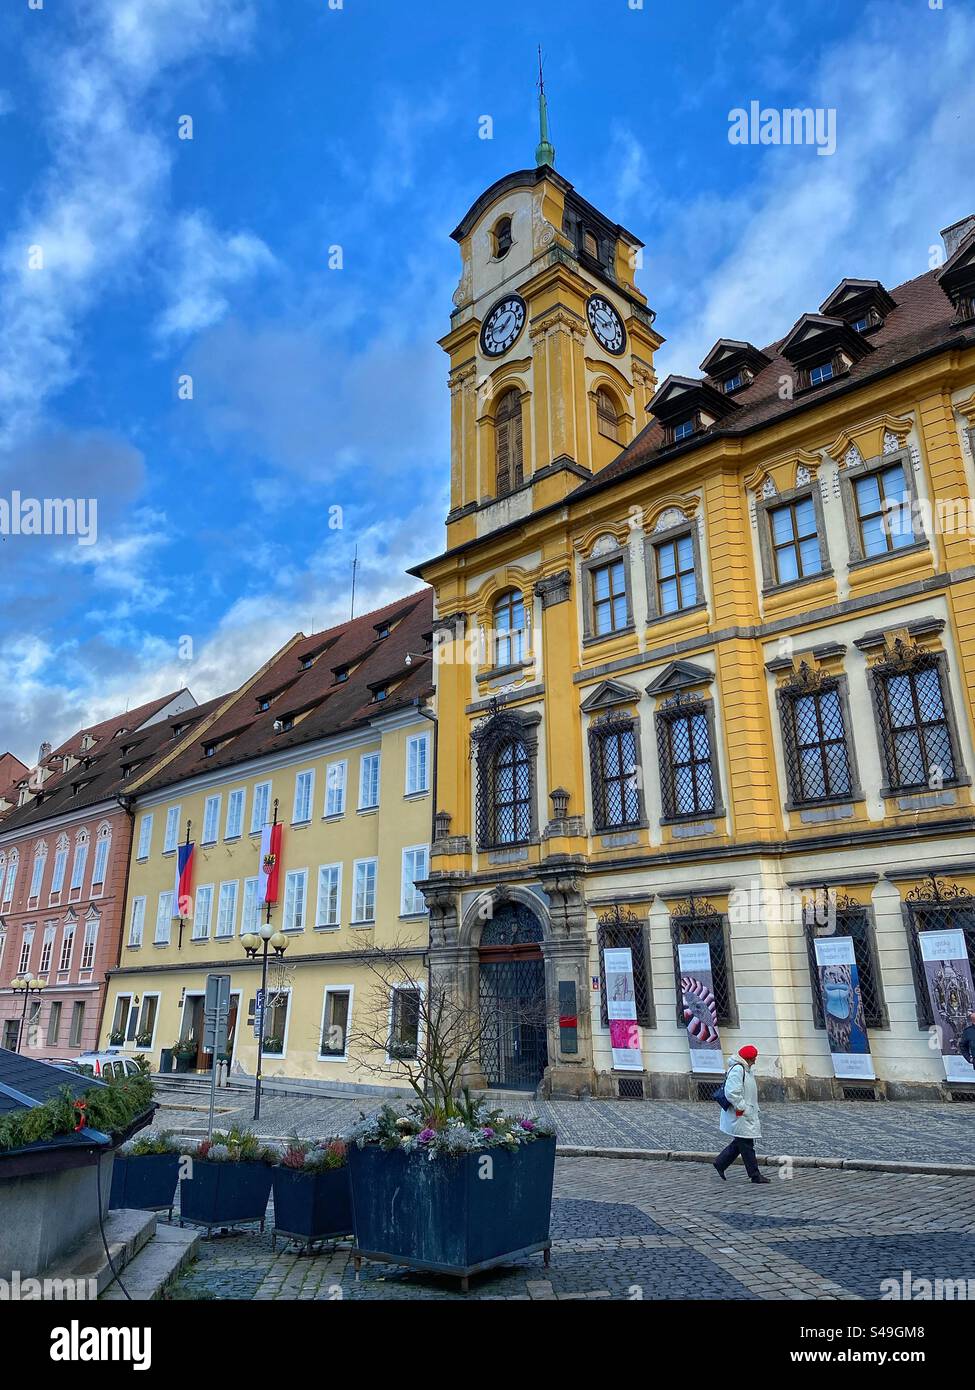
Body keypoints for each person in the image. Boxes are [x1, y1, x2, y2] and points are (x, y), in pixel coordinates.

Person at [713, 1044, 770, 1183]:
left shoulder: (745, 1069)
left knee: (742, 1142)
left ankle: (720, 1163)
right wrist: (742, 1107)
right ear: (748, 1059)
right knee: (746, 1144)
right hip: (739, 1113)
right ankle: (754, 1175)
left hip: (745, 1112)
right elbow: (732, 1092)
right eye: (754, 1058)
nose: (755, 1061)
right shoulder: (738, 1070)